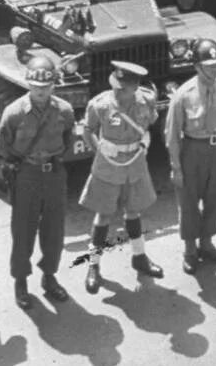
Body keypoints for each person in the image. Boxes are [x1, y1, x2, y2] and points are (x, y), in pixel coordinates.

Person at [0, 54, 76, 309]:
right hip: (26, 175)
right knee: (23, 230)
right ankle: (20, 280)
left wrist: (52, 160)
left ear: (54, 85)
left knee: (54, 231)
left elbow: (68, 139)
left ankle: (49, 277)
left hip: (53, 174)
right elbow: (2, 145)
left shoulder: (64, 110)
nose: (40, 91)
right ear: (28, 84)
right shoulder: (14, 113)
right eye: (35, 86)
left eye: (46, 86)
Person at [80, 60, 164, 293]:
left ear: (135, 87)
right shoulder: (100, 105)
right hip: (108, 166)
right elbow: (87, 130)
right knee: (104, 215)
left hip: (135, 164)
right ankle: (93, 265)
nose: (118, 91)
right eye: (115, 85)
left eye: (124, 88)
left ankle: (139, 257)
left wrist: (145, 141)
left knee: (133, 211)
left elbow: (151, 121)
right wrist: (99, 149)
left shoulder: (146, 100)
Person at [166, 38, 216, 273]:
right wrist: (176, 166)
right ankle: (190, 249)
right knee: (189, 201)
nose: (213, 69)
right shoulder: (184, 94)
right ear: (196, 66)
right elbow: (172, 133)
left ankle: (207, 244)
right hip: (193, 150)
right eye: (208, 66)